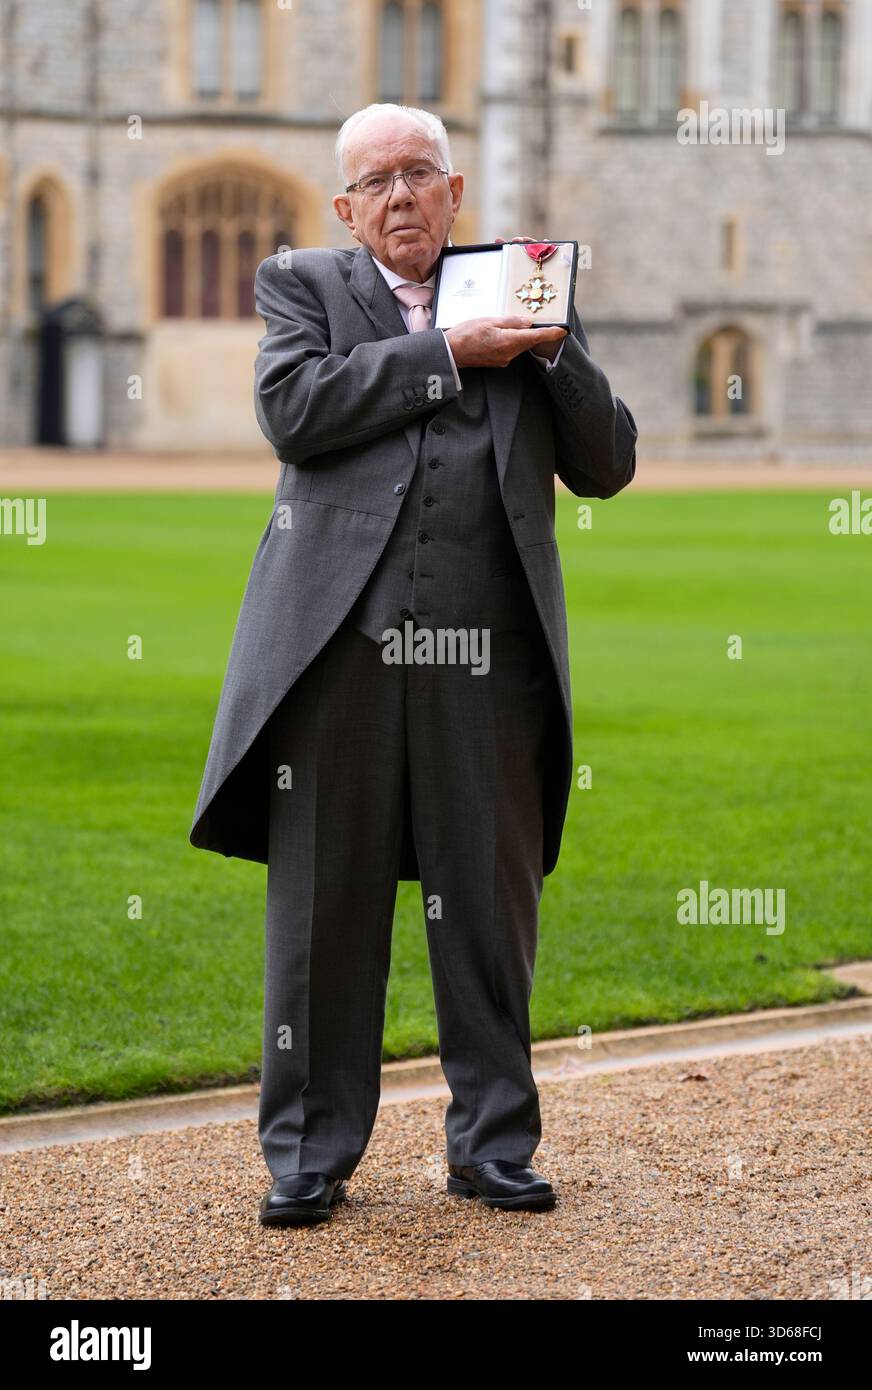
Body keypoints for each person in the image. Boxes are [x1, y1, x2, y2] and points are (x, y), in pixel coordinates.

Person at [189, 102, 638, 1226]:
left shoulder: (523, 285)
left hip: (486, 657)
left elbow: (608, 464)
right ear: (345, 209)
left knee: (486, 910)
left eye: (419, 175)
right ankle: (307, 1153)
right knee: (321, 914)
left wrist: (552, 352)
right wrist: (446, 356)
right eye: (376, 181)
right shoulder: (303, 285)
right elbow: (293, 410)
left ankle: (491, 1144)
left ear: (454, 192)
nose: (400, 196)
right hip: (332, 651)